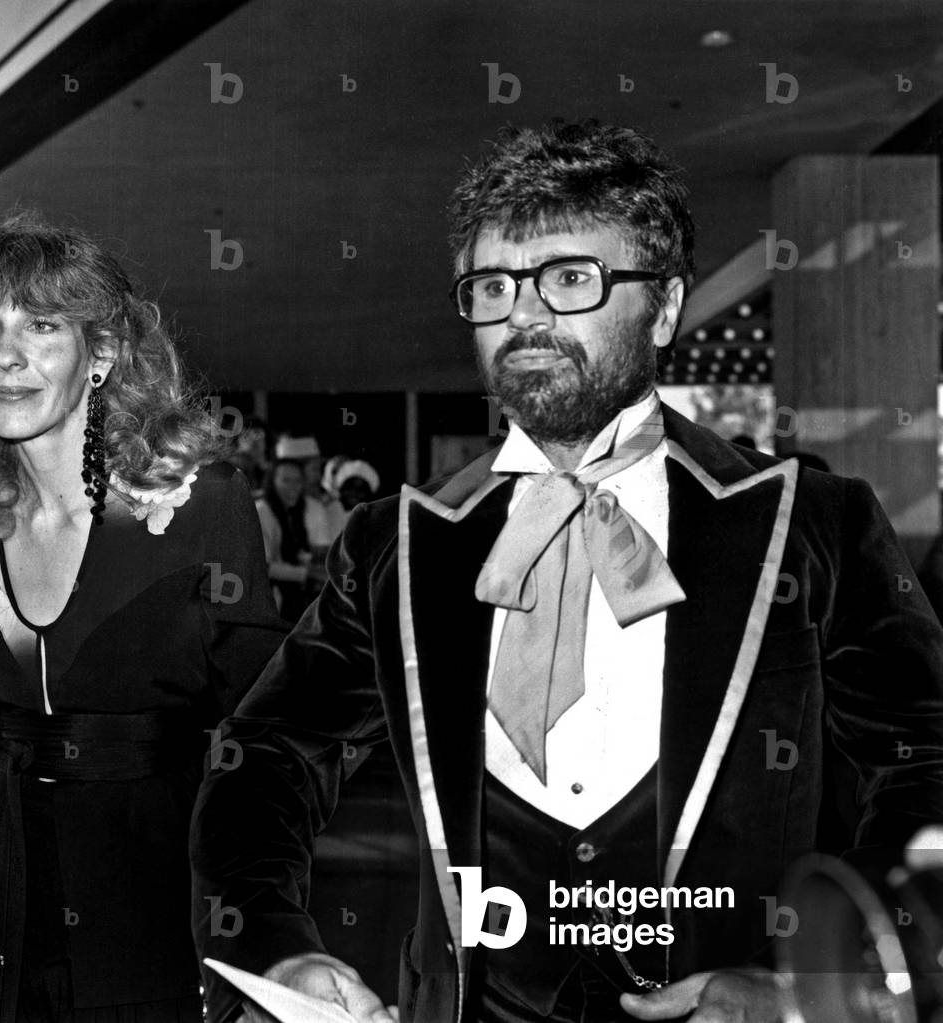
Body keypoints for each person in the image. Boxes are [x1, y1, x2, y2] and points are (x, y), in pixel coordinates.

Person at [190, 121, 943, 1023]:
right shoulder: (397, 544)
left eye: (571, 278)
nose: (524, 315)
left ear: (662, 307)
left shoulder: (812, 524)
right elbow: (263, 757)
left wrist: (810, 986)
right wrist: (277, 948)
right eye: (494, 286)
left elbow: (928, 765)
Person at [0, 212, 286, 1022]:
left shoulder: (200, 508)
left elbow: (271, 747)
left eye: (42, 325)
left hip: (155, 915)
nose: (6, 354)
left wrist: (266, 938)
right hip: (1, 901)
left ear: (103, 354)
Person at [255, 458, 331, 621]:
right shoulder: (261, 511)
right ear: (272, 482)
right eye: (286, 480)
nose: (293, 486)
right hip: (269, 601)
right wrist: (308, 573)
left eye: (298, 481)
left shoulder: (297, 511)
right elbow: (263, 567)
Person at [323, 458, 381, 539]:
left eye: (360, 490)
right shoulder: (328, 512)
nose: (354, 493)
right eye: (349, 488)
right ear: (341, 490)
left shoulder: (373, 521)